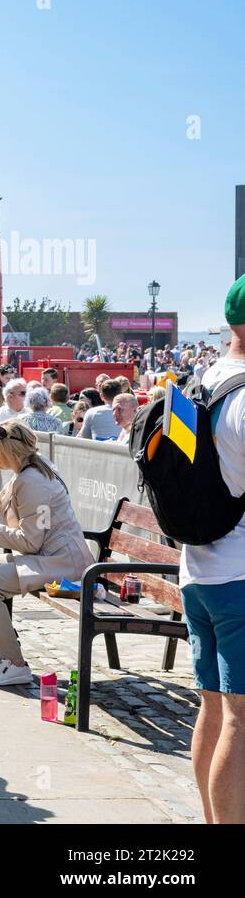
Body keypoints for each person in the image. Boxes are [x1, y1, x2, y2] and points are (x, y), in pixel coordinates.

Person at [0, 420, 91, 686]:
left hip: (63, 564)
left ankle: (15, 663)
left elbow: (29, 542)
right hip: (51, 556)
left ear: (9, 451)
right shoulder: (28, 470)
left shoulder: (30, 480)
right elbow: (0, 502)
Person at [180, 278, 245, 823]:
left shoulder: (202, 384)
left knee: (213, 707)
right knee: (241, 720)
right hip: (240, 575)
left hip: (198, 568)